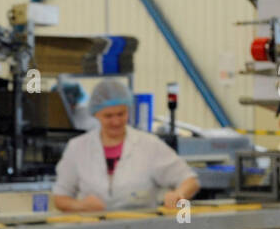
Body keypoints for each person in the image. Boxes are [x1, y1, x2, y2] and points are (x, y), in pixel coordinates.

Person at [53, 77, 199, 212]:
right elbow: (60, 197)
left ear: (128, 110)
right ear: (95, 114)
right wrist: (81, 205)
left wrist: (179, 194)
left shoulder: (149, 145)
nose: (116, 121)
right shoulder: (78, 148)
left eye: (121, 114)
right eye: (108, 116)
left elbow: (189, 180)